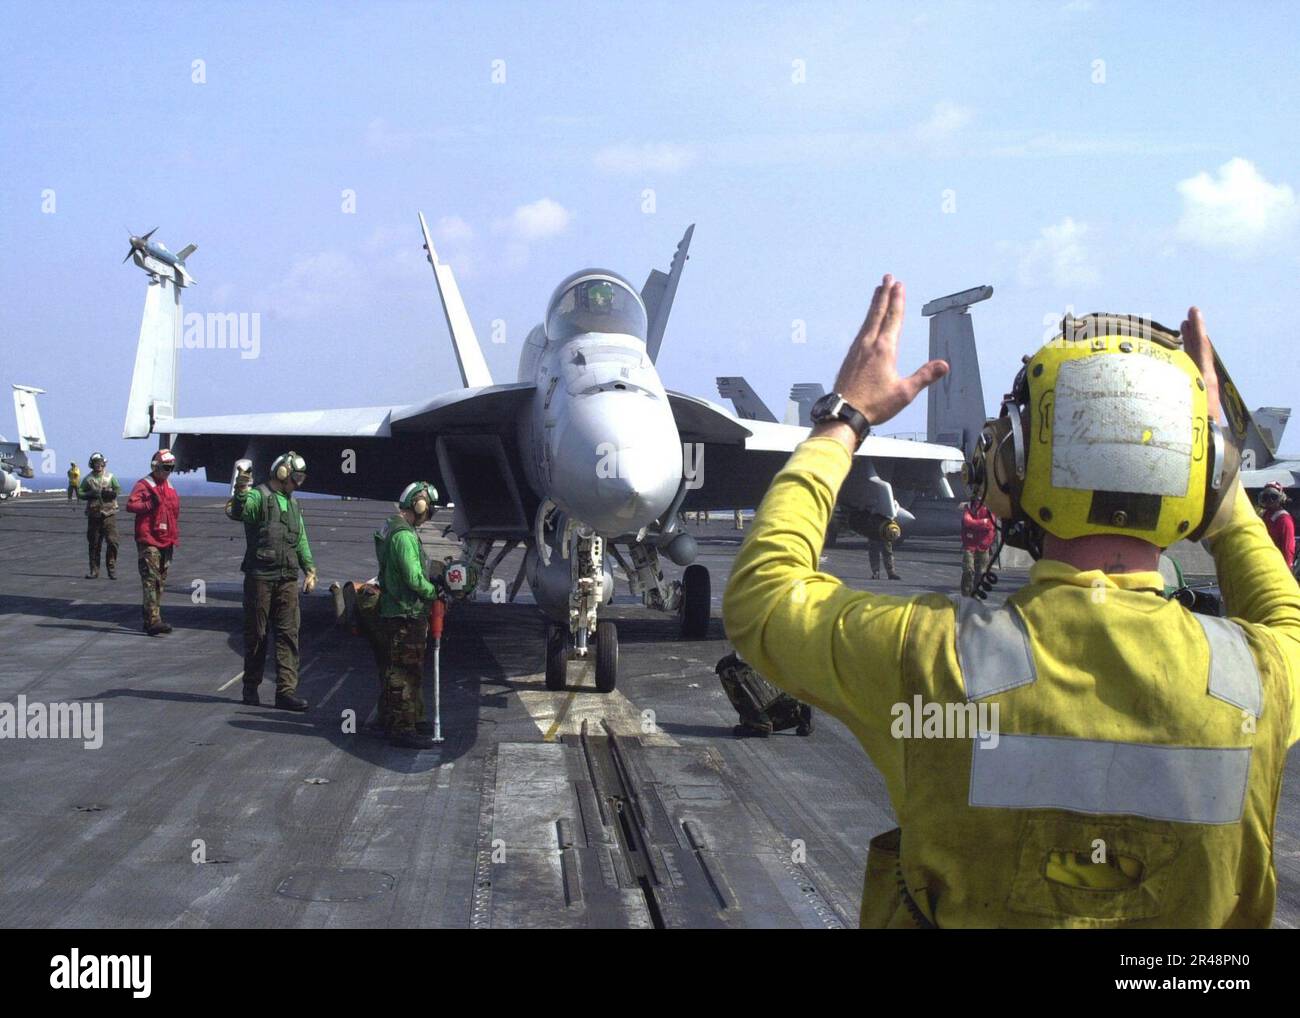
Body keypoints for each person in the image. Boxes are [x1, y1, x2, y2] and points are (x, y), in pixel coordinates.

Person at [723, 274, 1300, 928]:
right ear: (1208, 478)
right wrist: (1217, 464)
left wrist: (844, 419)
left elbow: (762, 596)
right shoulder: (1265, 677)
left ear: (1012, 462)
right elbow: (1283, 614)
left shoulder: (932, 658)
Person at [227, 452, 316, 711]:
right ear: (282, 473)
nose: (298, 483)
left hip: (287, 578)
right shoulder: (259, 496)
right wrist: (241, 488)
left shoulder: (293, 504)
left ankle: (286, 692)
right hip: (261, 578)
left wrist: (309, 568)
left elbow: (300, 539)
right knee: (257, 634)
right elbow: (240, 510)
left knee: (289, 635)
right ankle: (250, 687)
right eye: (296, 477)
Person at [374, 481, 442, 749]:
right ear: (419, 504)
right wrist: (433, 592)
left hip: (396, 609)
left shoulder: (393, 526)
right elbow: (413, 577)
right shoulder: (404, 536)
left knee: (397, 668)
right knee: (404, 672)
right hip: (405, 612)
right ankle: (402, 728)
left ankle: (400, 719)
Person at [125, 449, 180, 636]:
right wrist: (149, 505)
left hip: (166, 540)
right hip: (149, 539)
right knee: (151, 579)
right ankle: (153, 620)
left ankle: (151, 616)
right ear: (156, 466)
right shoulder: (144, 485)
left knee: (160, 581)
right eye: (165, 467)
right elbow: (131, 505)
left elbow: (173, 513)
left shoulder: (169, 486)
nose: (168, 471)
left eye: (171, 468)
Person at [78, 452, 121, 579]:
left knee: (113, 542)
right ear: (92, 464)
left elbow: (117, 489)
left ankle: (111, 568)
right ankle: (94, 570)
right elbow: (80, 493)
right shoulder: (88, 479)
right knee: (94, 544)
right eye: (96, 463)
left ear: (103, 463)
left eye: (100, 462)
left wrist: (111, 493)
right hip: (94, 515)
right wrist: (89, 494)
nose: (98, 465)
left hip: (109, 514)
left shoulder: (110, 477)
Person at [960, 496, 996, 597]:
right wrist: (982, 522)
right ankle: (966, 595)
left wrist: (974, 524)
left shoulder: (990, 508)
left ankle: (975, 594)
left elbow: (990, 524)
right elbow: (967, 521)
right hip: (970, 545)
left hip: (984, 545)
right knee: (968, 570)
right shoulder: (970, 507)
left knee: (981, 573)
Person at [1257, 481, 1294, 570]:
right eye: (1266, 497)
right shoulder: (1265, 515)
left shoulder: (1284, 519)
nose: (1270, 500)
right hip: (1263, 562)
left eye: (1273, 497)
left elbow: (1287, 548)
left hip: (1276, 566)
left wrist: (1287, 569)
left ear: (1280, 498)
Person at [865, 513, 901, 580]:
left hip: (885, 529)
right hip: (875, 530)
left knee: (887, 553)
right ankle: (876, 573)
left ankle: (890, 573)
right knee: (875, 553)